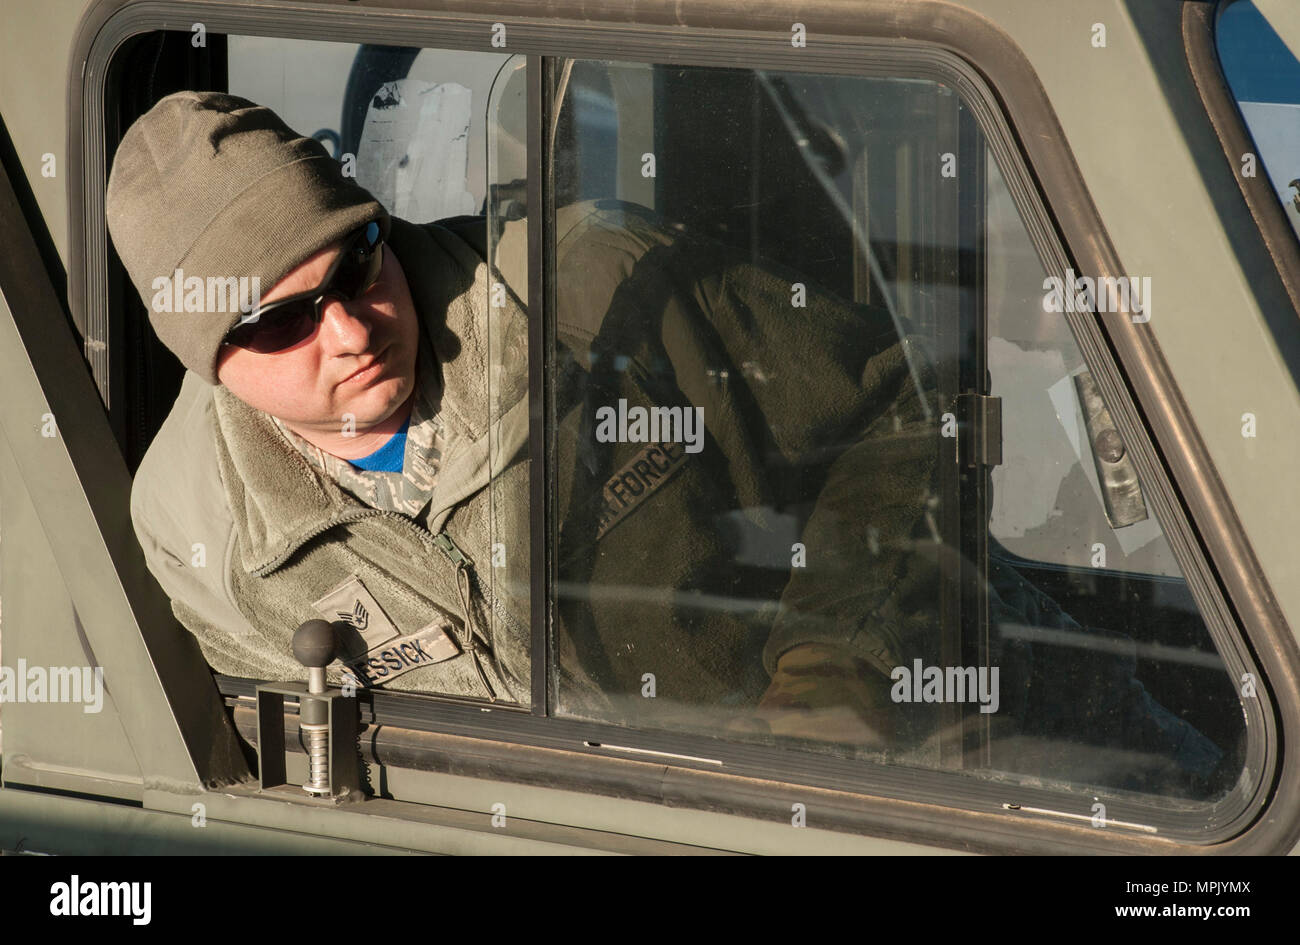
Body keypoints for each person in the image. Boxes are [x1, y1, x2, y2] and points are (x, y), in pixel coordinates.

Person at [110, 92, 1224, 793]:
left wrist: (836, 666)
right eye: (282, 319)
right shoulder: (200, 535)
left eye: (357, 261)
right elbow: (308, 773)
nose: (352, 326)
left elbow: (901, 413)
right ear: (207, 359)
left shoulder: (586, 289)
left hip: (975, 751)